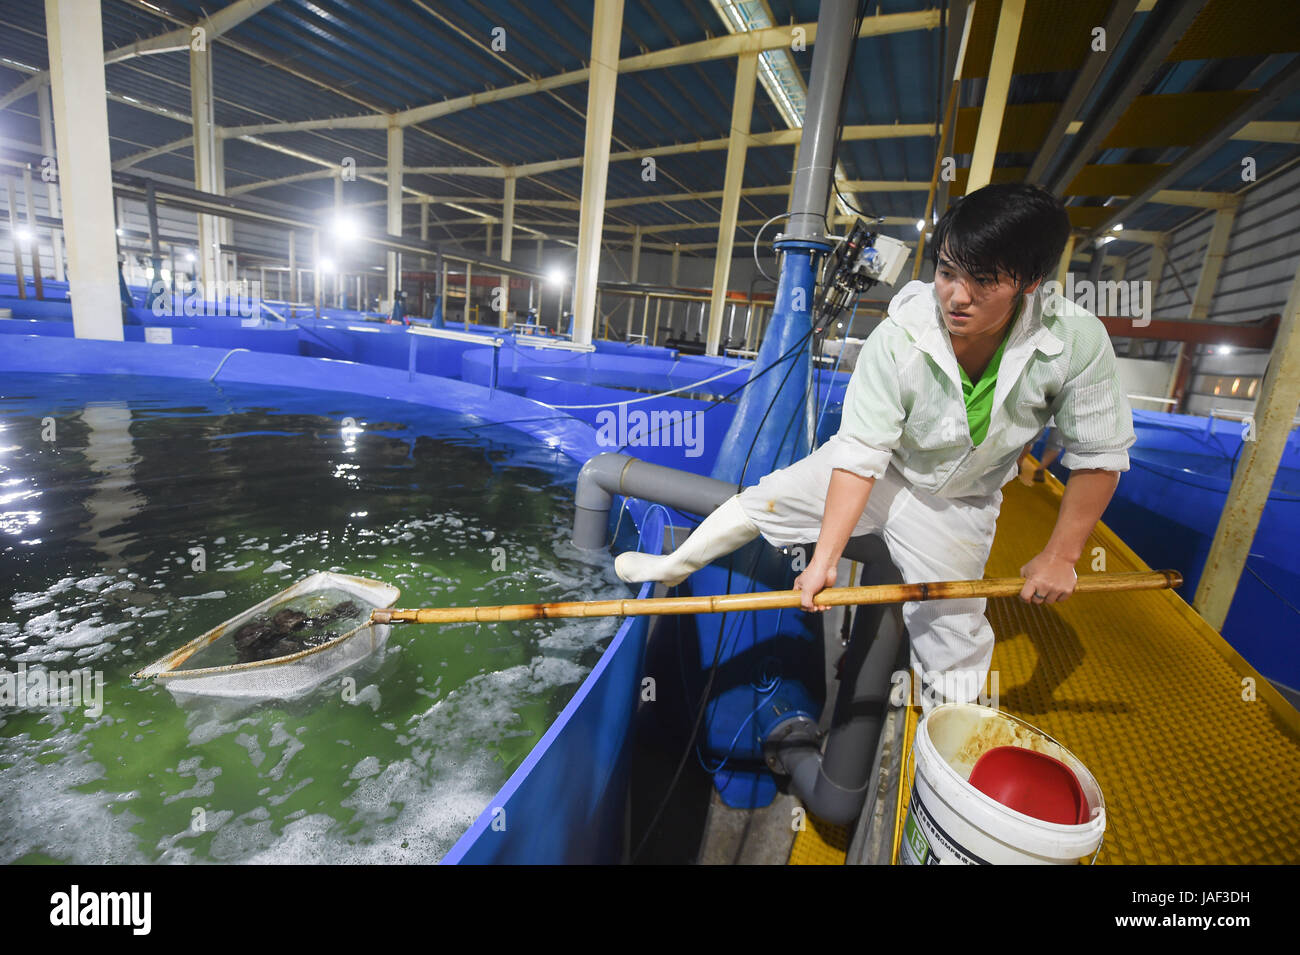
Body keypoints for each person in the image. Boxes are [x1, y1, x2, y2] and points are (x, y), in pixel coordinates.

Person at [615, 182, 1135, 709]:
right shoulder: (898, 338)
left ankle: (949, 750)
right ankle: (676, 563)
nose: (957, 296)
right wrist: (824, 558)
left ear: (1029, 283)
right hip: (885, 467)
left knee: (954, 637)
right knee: (762, 499)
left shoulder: (1076, 341)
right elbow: (860, 457)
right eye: (947, 272)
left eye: (981, 282)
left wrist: (1062, 555)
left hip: (959, 500)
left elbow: (1099, 455)